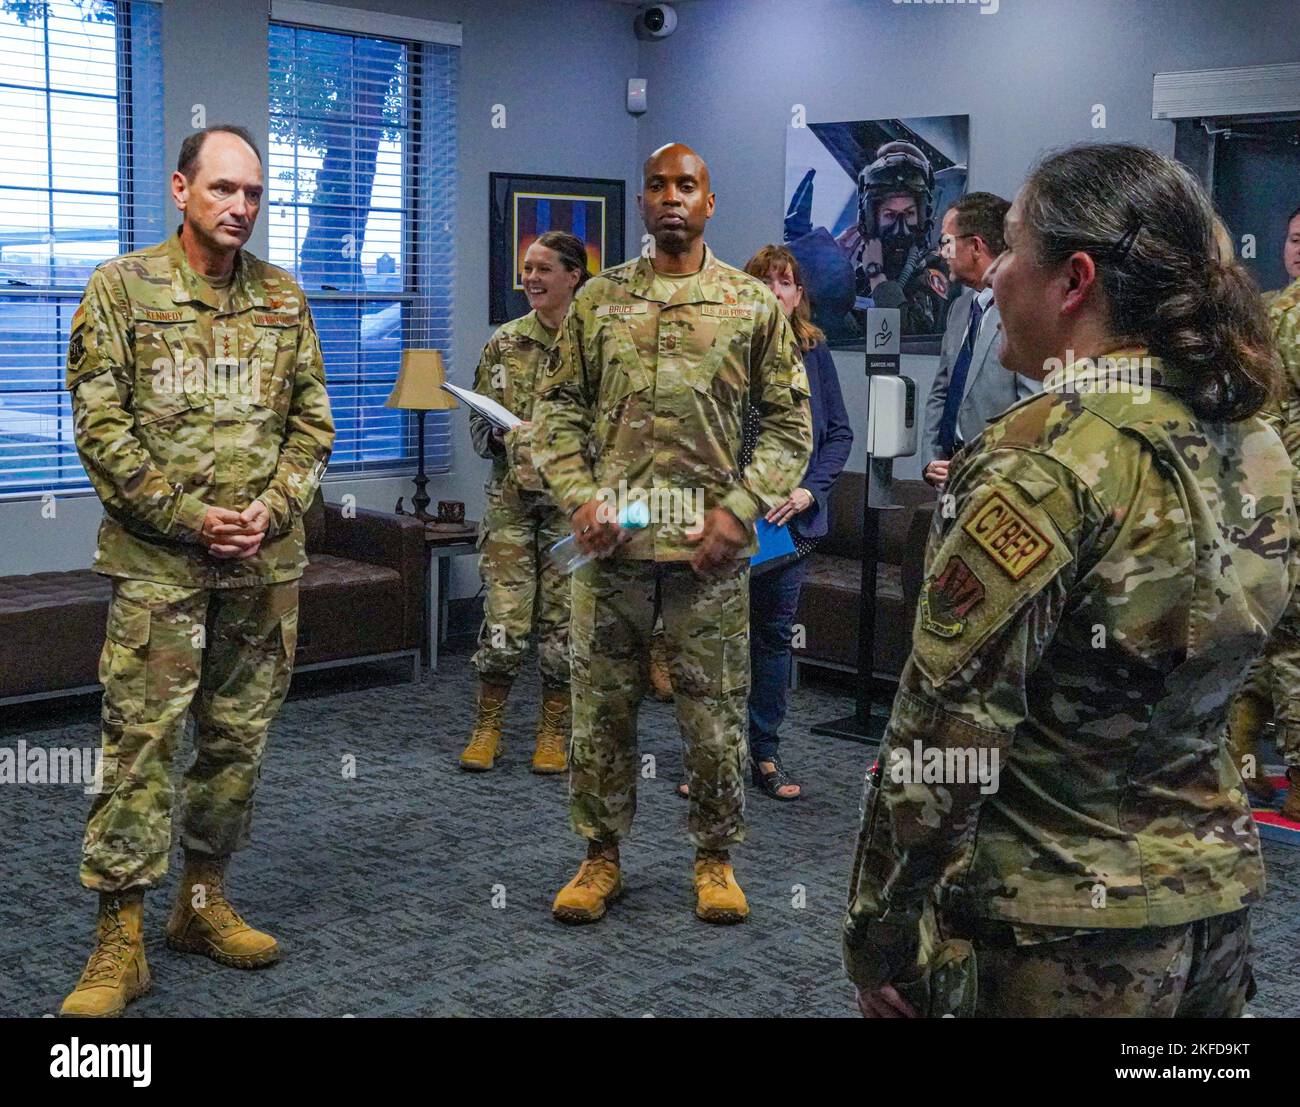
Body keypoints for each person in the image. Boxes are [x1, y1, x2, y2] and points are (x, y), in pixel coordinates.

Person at [843, 142, 1296, 1018]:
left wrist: (880, 937)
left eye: (1009, 247)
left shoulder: (1041, 457)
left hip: (1059, 941)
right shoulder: (1256, 444)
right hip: (1215, 919)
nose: (994, 271)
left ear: (1073, 279)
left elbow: (945, 738)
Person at [60, 125, 335, 1017]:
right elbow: (102, 431)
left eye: (253, 194)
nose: (240, 208)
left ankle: (202, 906)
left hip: (263, 569)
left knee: (234, 745)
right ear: (181, 189)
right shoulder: (120, 291)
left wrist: (276, 505)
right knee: (139, 747)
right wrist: (188, 516)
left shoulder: (285, 301)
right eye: (223, 190)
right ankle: (120, 943)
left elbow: (312, 426)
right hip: (159, 572)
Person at [532, 143, 811, 926]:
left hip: (706, 553)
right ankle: (599, 856)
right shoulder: (599, 301)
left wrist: (743, 506)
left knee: (714, 711)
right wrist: (579, 495)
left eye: (686, 185)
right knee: (600, 709)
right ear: (644, 201)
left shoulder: (750, 303)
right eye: (656, 185)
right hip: (612, 549)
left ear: (709, 201)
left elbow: (790, 422)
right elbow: (554, 411)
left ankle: (715, 858)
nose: (670, 198)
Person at [678, 244, 851, 801]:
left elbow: (838, 436)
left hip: (788, 529)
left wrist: (809, 491)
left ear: (800, 295)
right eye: (767, 282)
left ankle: (766, 755)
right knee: (717, 646)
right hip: (728, 520)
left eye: (787, 283)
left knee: (772, 641)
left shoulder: (813, 352)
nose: (777, 292)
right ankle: (711, 759)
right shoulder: (721, 347)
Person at [460, 231, 589, 774]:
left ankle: (554, 730)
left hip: (571, 507)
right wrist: (503, 433)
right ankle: (487, 725)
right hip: (511, 503)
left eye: (543, 269)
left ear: (573, 276)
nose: (531, 279)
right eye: (526, 269)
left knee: (562, 628)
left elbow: (622, 426)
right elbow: (476, 425)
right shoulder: (505, 342)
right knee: (504, 622)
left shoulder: (597, 343)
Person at [1228, 263, 1300, 815]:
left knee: (1272, 640)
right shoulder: (1278, 314)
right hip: (1286, 499)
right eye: (1295, 238)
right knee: (1291, 646)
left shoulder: (1271, 313)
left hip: (1272, 498)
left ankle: (1236, 756)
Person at [921, 192, 1037, 490]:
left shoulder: (1022, 312)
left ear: (975, 246)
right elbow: (941, 392)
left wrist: (976, 470)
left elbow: (1031, 412)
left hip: (995, 485)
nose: (941, 253)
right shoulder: (960, 309)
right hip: (946, 484)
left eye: (946, 242)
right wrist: (931, 460)